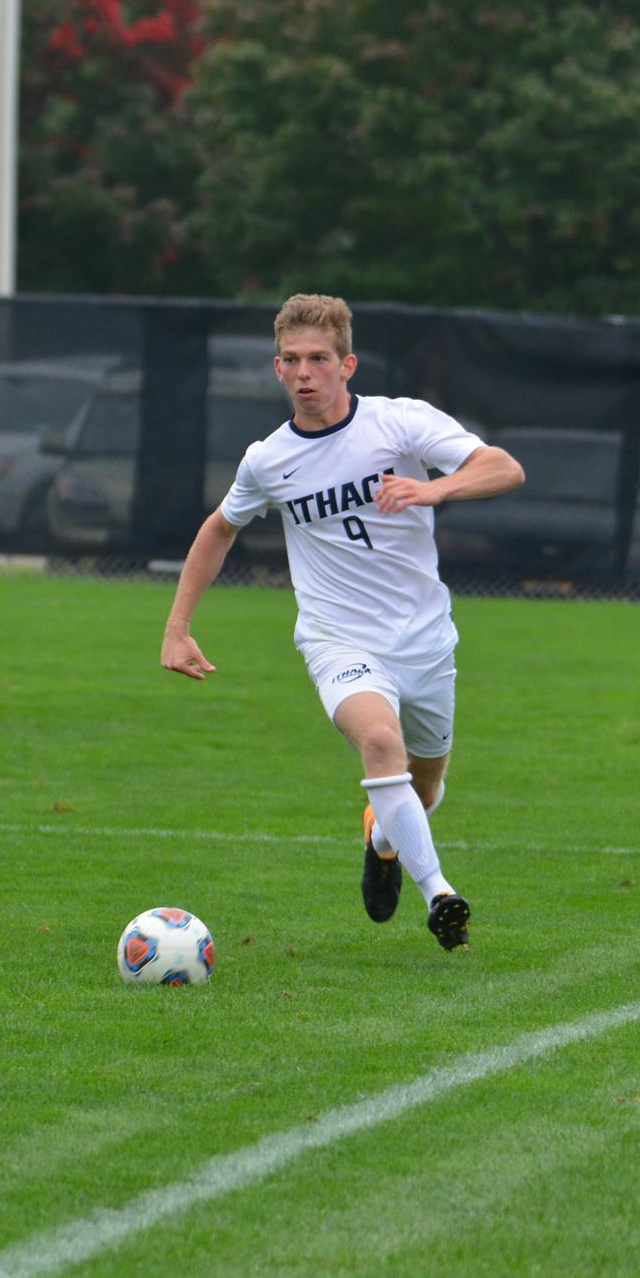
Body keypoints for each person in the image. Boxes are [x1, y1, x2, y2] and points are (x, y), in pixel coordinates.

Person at [160, 294, 525, 951]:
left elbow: (504, 466)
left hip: (424, 640)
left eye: (319, 359)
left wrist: (433, 489)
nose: (306, 372)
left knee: (426, 781)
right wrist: (177, 625)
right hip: (338, 639)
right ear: (277, 370)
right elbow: (218, 530)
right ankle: (441, 895)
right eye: (293, 360)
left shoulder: (399, 424)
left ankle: (382, 839)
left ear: (347, 364)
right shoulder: (268, 460)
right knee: (380, 743)